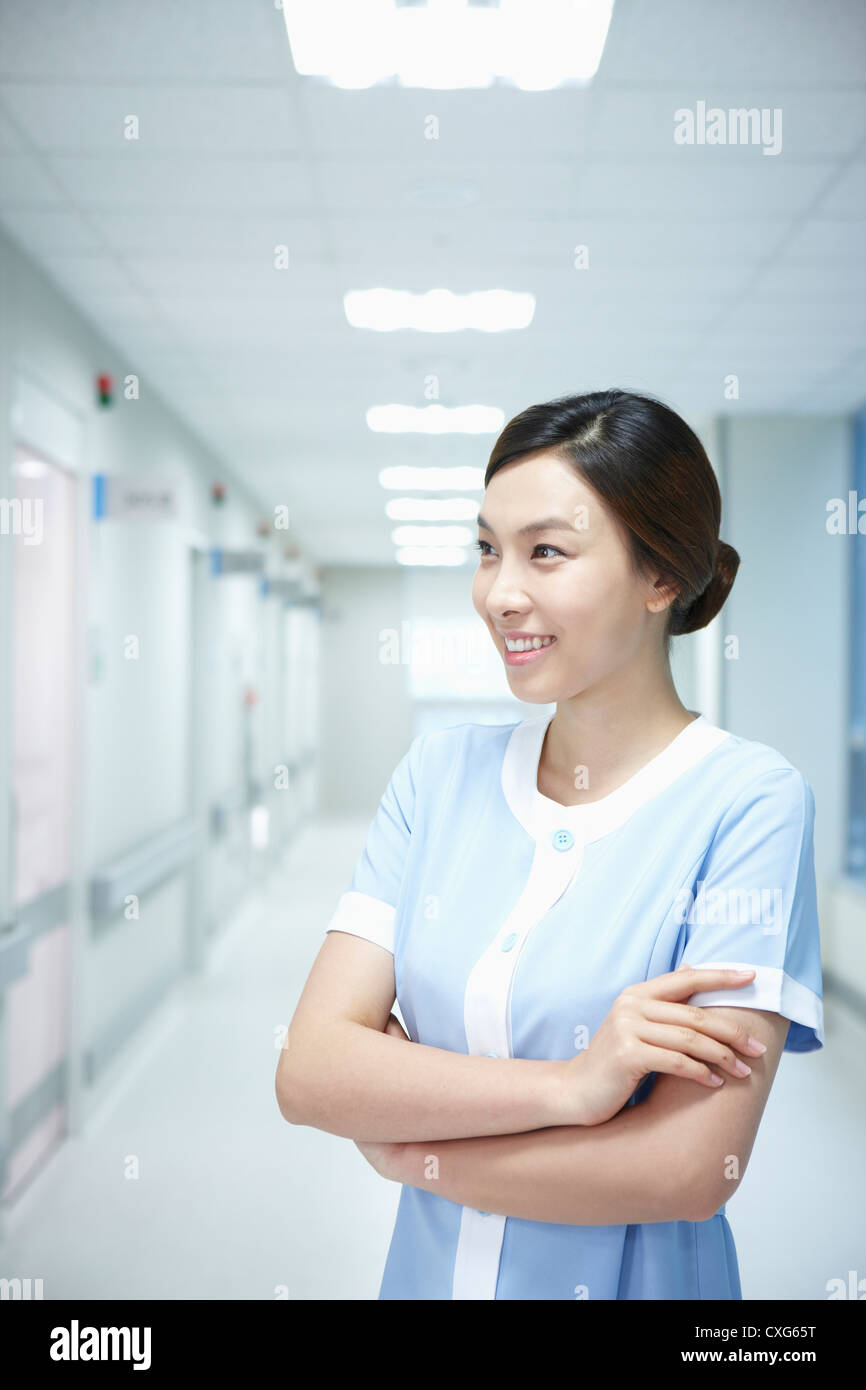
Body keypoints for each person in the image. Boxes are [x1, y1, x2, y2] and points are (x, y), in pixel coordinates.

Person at [275, 388, 824, 1300]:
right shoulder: (437, 776)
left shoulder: (750, 804)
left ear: (660, 577)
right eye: (487, 550)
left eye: (547, 553)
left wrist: (414, 1146)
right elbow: (310, 1068)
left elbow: (687, 1171)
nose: (501, 594)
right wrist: (573, 1089)